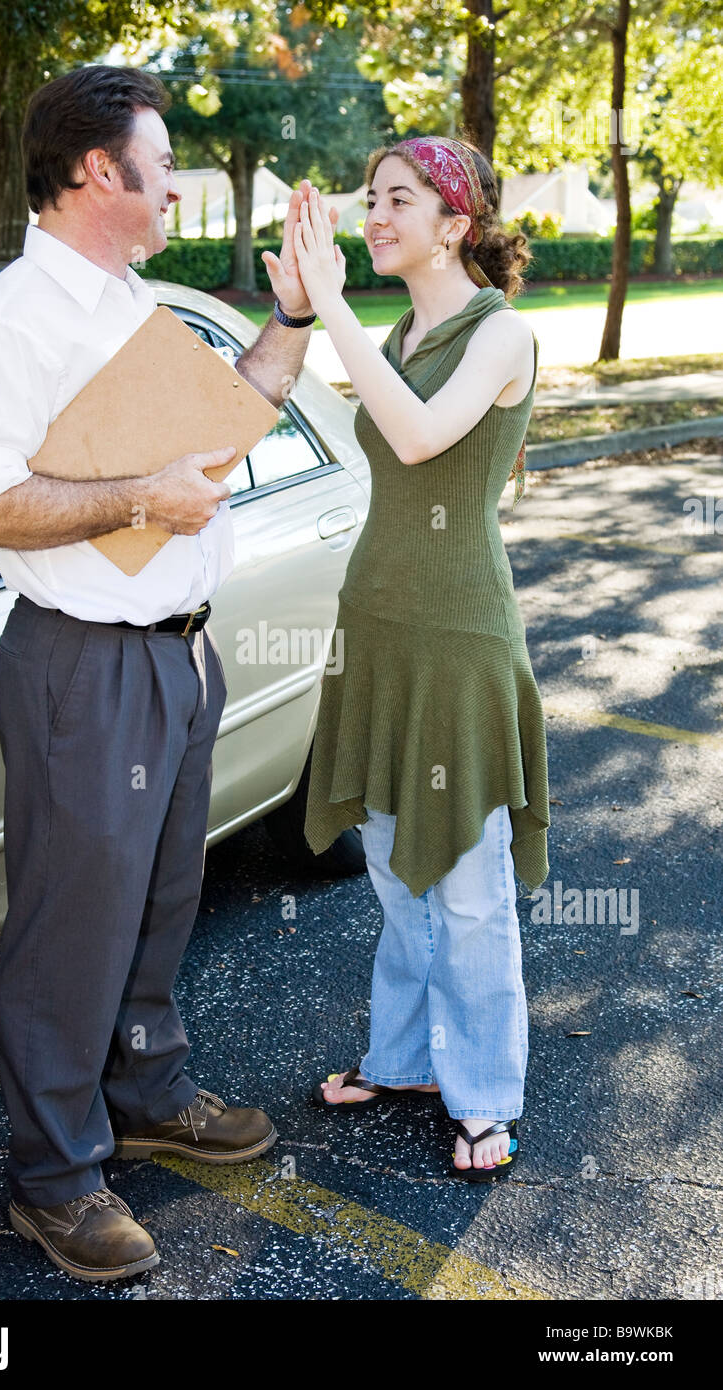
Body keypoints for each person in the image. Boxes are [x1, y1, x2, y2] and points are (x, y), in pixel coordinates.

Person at [0, 63, 336, 1281]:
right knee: (69, 930)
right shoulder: (13, 319)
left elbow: (240, 411)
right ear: (100, 175)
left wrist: (297, 317)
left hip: (176, 652)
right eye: (159, 169)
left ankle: (145, 1096)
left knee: (157, 904)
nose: (171, 190)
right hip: (81, 669)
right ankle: (50, 1183)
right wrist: (138, 495)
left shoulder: (122, 302)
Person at [294, 136, 550, 1180]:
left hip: (457, 639)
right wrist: (301, 304)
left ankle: (484, 1098)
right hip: (381, 628)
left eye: (396, 199)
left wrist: (332, 304)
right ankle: (401, 1059)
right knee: (398, 866)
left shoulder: (500, 334)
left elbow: (413, 440)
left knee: (468, 882)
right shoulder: (398, 331)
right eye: (367, 200)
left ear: (455, 223)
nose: (373, 215)